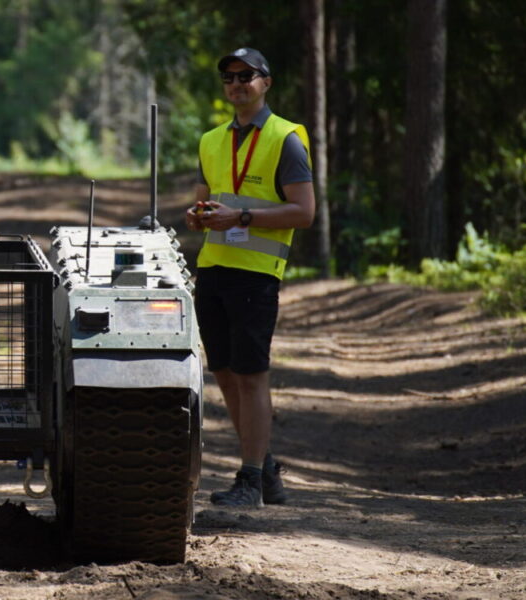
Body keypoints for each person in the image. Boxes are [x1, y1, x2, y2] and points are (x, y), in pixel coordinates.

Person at [182, 48, 315, 508]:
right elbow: (205, 199)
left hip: (256, 275)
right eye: (228, 77)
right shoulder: (211, 140)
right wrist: (199, 216)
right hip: (214, 269)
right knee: (224, 372)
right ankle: (266, 469)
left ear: (266, 82)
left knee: (251, 375)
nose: (236, 83)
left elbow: (304, 211)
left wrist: (240, 216)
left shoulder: (285, 139)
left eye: (246, 75)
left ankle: (252, 481)